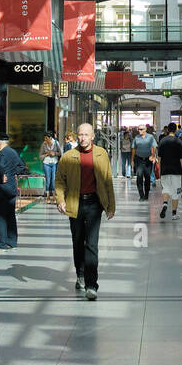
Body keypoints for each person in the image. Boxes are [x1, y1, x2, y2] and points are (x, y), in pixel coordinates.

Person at [55, 123, 116, 300]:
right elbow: (59, 181)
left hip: (94, 204)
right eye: (80, 135)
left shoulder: (101, 154)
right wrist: (60, 199)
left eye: (86, 135)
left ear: (93, 136)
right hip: (75, 204)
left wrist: (111, 205)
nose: (82, 138)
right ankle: (80, 274)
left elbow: (107, 180)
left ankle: (91, 284)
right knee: (77, 241)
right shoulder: (68, 156)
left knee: (92, 244)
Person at [0, 133, 27, 249]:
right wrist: (12, 173)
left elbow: (0, 167)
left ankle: (1, 243)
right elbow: (22, 165)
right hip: (11, 188)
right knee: (10, 216)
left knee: (0, 216)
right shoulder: (13, 152)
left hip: (1, 190)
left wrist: (1, 176)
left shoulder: (1, 154)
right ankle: (12, 241)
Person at [156, 123, 182, 220]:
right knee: (175, 192)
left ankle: (165, 204)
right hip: (176, 171)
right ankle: (174, 214)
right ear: (176, 130)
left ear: (168, 130)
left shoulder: (162, 141)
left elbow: (159, 158)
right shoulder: (179, 142)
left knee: (166, 189)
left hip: (165, 170)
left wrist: (159, 170)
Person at [133, 124, 156, 200]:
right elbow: (133, 149)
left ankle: (146, 194)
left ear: (145, 130)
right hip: (139, 160)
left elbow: (154, 146)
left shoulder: (150, 137)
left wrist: (153, 156)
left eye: (141, 129)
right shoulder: (136, 138)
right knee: (139, 176)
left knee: (147, 177)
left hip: (147, 160)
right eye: (139, 129)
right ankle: (141, 195)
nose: (140, 130)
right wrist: (132, 160)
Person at [40, 132, 61, 199]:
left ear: (50, 138)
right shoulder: (43, 144)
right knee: (48, 179)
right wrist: (47, 154)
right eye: (44, 138)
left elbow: (60, 153)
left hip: (54, 162)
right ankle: (48, 196)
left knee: (53, 180)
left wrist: (54, 153)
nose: (45, 139)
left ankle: (54, 196)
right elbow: (40, 156)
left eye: (46, 138)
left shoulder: (56, 143)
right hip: (46, 163)